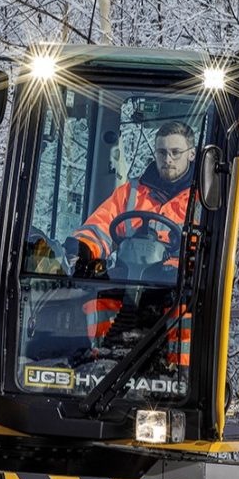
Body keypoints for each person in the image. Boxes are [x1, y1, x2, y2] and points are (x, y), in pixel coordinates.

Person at [70, 121, 197, 371]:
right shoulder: (132, 191)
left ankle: (179, 371)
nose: (167, 159)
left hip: (175, 280)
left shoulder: (203, 198)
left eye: (175, 152)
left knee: (185, 304)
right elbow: (102, 225)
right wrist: (84, 248)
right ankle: (102, 358)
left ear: (191, 154)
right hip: (129, 275)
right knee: (101, 289)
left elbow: (212, 246)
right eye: (162, 152)